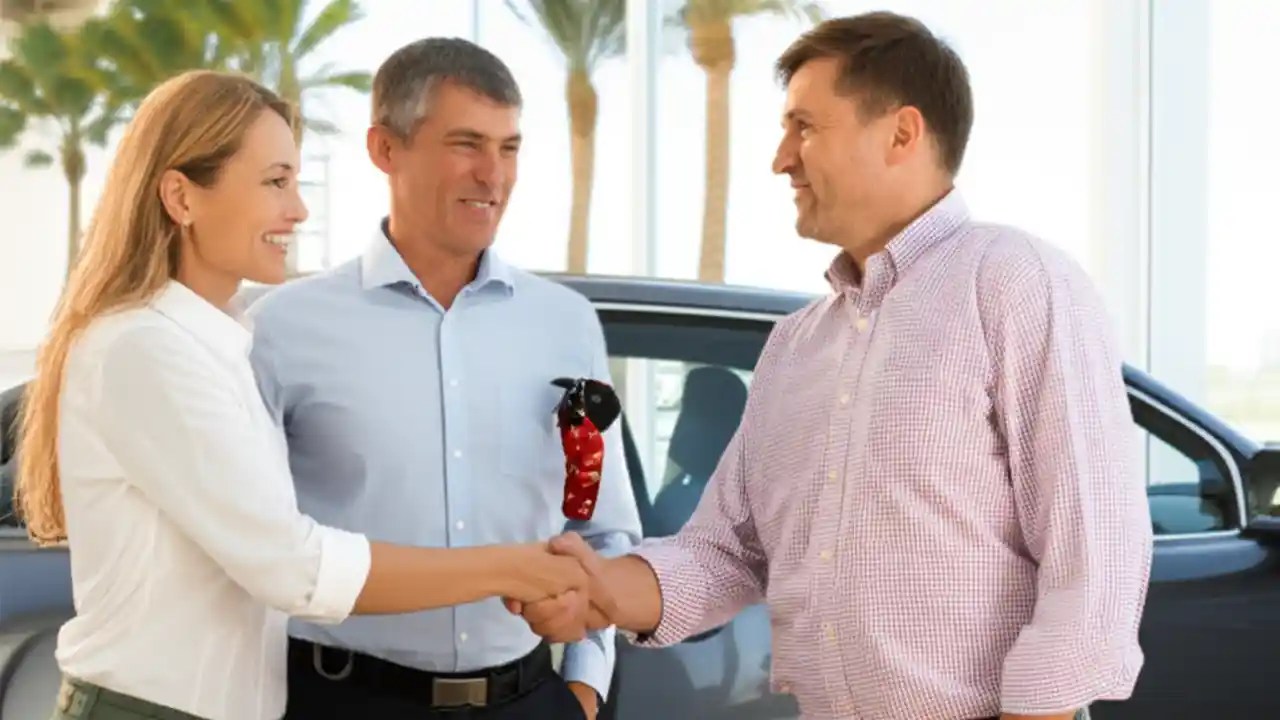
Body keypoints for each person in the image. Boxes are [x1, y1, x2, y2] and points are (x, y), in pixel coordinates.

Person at [513, 11, 1153, 720]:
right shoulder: (795, 345)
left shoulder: (1014, 283)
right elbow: (726, 554)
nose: (781, 158)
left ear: (901, 134)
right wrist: (600, 589)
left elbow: (1092, 557)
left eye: (805, 127)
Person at [13, 70, 594, 720]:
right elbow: (292, 566)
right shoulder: (145, 351)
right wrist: (510, 568)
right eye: (274, 182)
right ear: (181, 196)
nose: (298, 210)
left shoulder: (222, 342)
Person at [244, 38, 642, 720]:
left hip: (530, 700)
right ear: (385, 149)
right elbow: (252, 548)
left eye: (510, 147)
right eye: (466, 143)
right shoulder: (278, 328)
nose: (494, 174)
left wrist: (582, 687)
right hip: (339, 701)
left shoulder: (567, 324)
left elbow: (604, 530)